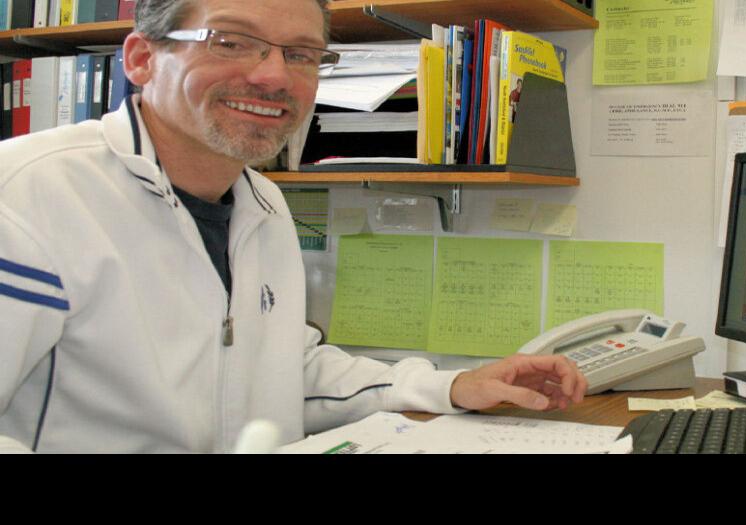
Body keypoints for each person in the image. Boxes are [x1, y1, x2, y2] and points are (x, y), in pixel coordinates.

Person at [0, 0, 586, 453]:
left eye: (302, 54)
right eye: (231, 42)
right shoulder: (29, 194)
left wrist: (453, 388)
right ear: (140, 59)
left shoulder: (262, 203)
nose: (273, 76)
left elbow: (284, 366)